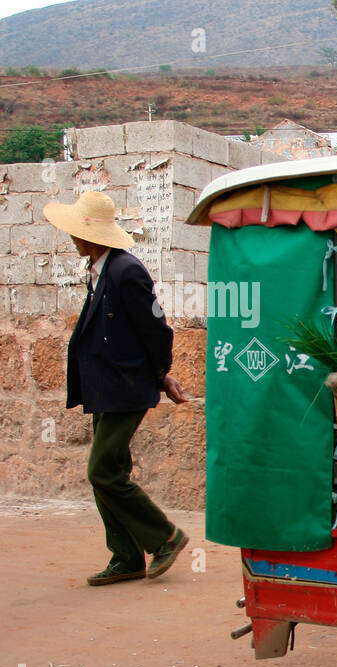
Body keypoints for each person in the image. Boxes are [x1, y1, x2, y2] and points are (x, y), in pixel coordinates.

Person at [42, 191, 190, 586]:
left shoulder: (127, 271)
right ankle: (126, 557)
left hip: (127, 387)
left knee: (102, 471)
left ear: (90, 236)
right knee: (112, 470)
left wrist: (162, 376)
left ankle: (165, 538)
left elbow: (156, 330)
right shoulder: (99, 270)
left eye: (75, 232)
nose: (71, 239)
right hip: (105, 388)